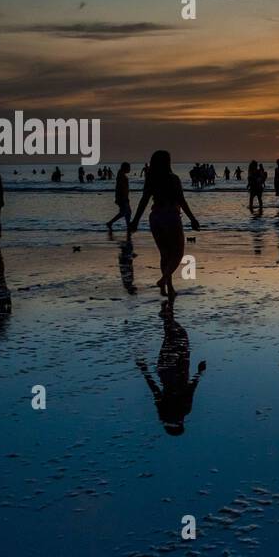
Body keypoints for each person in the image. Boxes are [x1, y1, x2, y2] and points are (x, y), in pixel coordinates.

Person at [129, 150, 200, 301]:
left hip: (155, 218)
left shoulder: (151, 179)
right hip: (171, 217)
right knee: (178, 253)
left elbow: (144, 200)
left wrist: (135, 220)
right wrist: (193, 219)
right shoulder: (173, 179)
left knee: (164, 254)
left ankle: (170, 287)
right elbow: (181, 200)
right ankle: (164, 279)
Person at [137, 307, 205, 435]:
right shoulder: (167, 411)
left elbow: (191, 389)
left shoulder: (184, 409)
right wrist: (144, 370)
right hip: (166, 371)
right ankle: (167, 315)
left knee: (177, 336)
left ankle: (167, 315)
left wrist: (199, 373)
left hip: (178, 369)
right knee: (171, 337)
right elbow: (155, 390)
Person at [107, 162, 133, 231]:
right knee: (125, 212)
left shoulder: (121, 174)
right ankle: (110, 223)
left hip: (122, 197)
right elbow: (122, 188)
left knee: (126, 212)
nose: (130, 169)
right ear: (125, 168)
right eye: (129, 168)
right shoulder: (121, 175)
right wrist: (124, 198)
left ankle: (127, 225)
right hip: (122, 198)